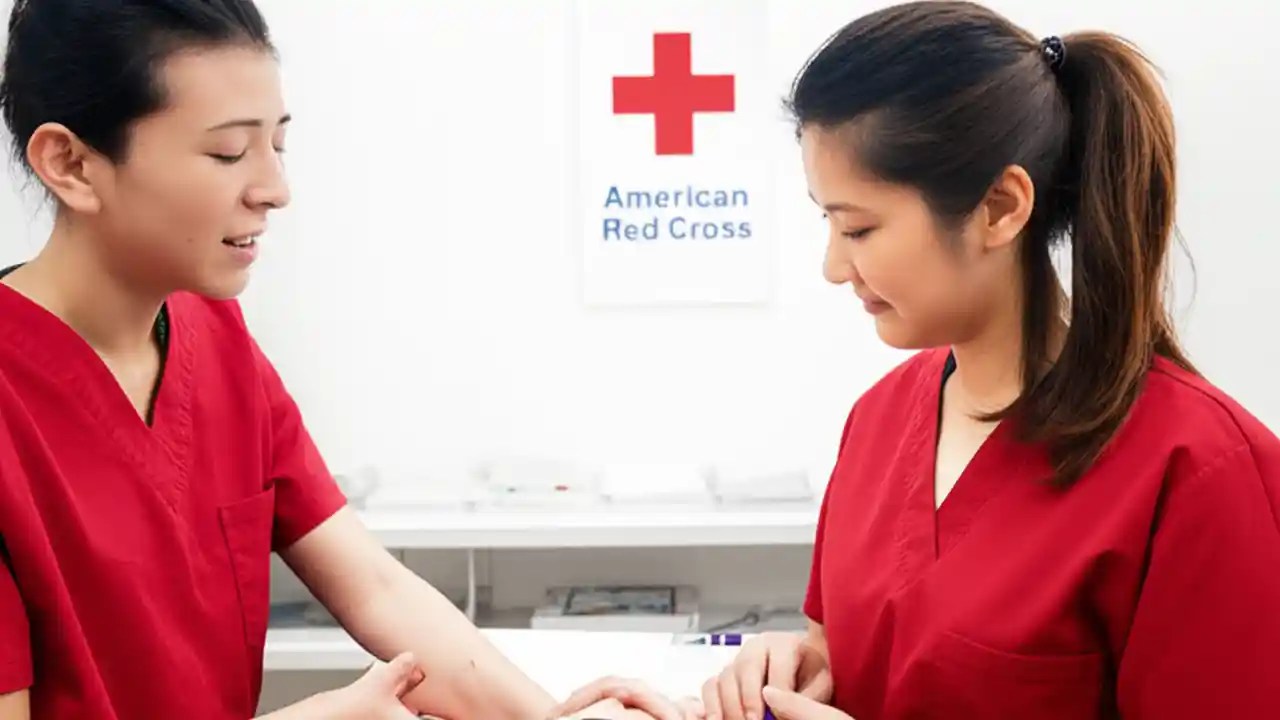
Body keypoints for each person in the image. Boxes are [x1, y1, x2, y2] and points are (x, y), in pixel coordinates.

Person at [548, 1, 1280, 719]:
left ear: (999, 208)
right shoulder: (880, 421)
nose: (834, 265)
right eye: (826, 221)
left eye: (859, 228)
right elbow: (881, 661)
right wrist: (800, 671)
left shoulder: (1200, 469)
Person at [0, 2, 638, 719]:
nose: (274, 189)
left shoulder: (216, 341)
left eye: (278, 144)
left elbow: (375, 588)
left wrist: (550, 719)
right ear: (72, 163)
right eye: (228, 153)